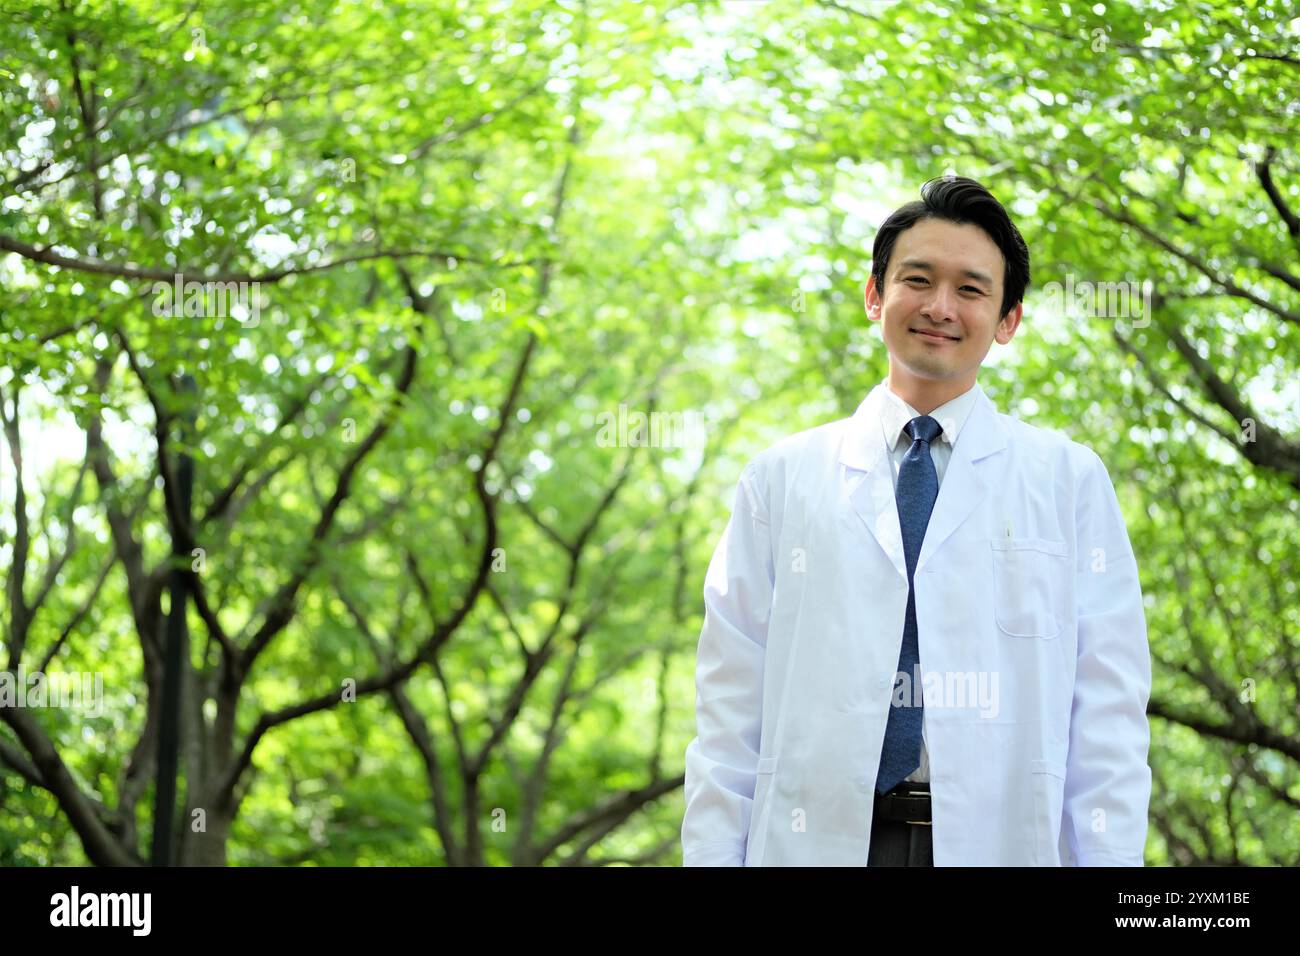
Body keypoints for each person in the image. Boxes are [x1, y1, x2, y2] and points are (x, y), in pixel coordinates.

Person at [681, 175, 1152, 866]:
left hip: (1000, 840)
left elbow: (1107, 714)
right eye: (917, 279)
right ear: (875, 295)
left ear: (1008, 319)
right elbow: (728, 707)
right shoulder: (781, 480)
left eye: (971, 289)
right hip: (816, 839)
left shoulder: (1068, 481)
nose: (940, 307)